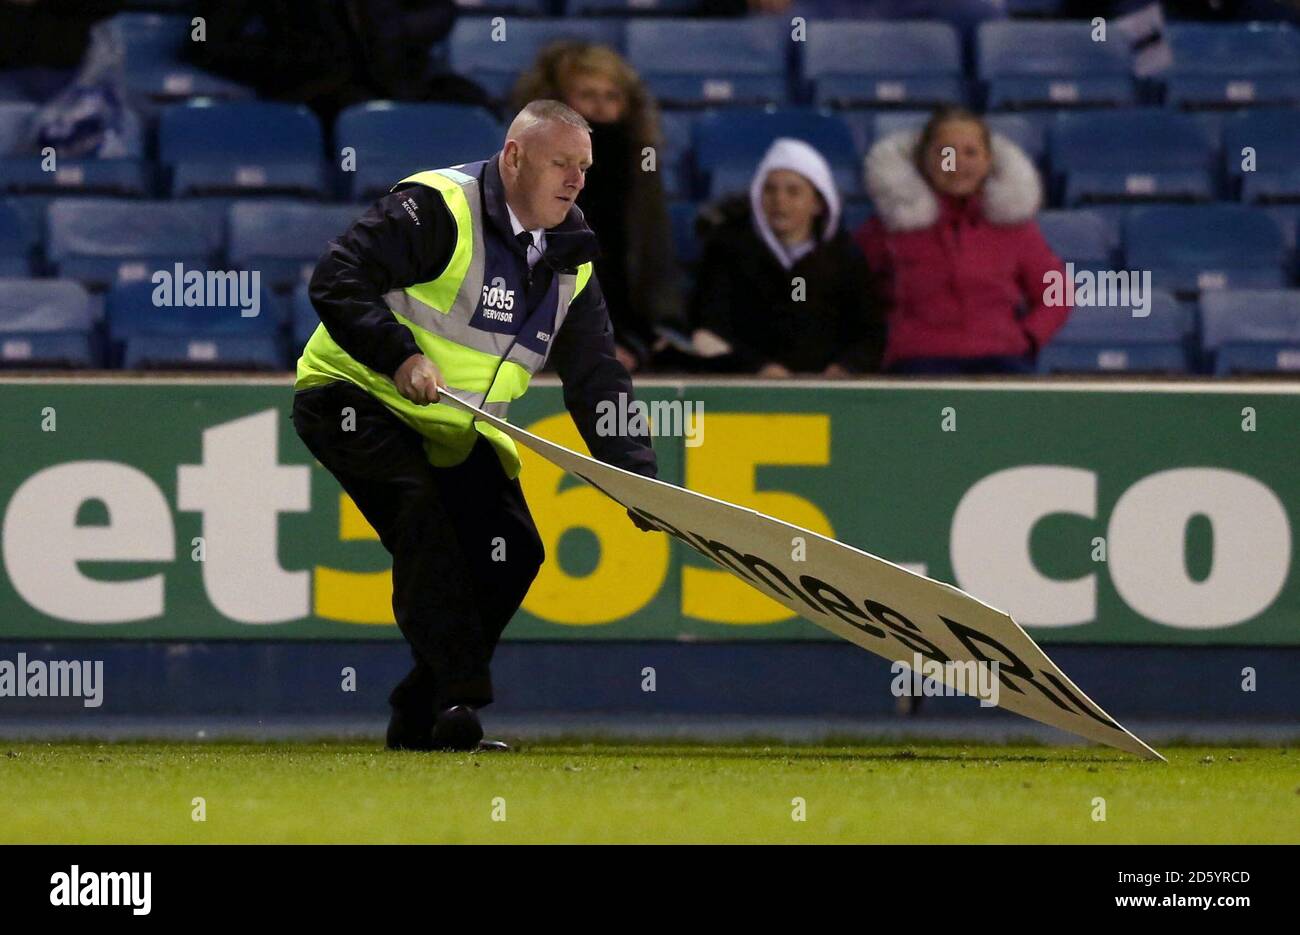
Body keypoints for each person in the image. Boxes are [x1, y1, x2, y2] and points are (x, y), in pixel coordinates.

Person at [291, 100, 658, 752]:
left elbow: (597, 376)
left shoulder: (572, 259)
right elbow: (337, 274)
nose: (575, 179)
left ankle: (420, 714)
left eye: (583, 167)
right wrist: (399, 354)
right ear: (513, 157)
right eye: (560, 163)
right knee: (423, 516)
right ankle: (459, 698)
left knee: (513, 551)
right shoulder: (438, 206)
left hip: (457, 427)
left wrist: (634, 471)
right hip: (354, 396)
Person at [855, 106, 1070, 375]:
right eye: (946, 153)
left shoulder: (1015, 226)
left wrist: (1027, 337)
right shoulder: (888, 227)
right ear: (924, 160)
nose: (958, 163)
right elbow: (849, 292)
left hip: (1003, 361)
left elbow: (1057, 293)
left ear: (988, 160)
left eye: (971, 153)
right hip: (916, 362)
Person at [512, 41, 683, 373]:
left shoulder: (640, 167)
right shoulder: (528, 165)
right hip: (542, 333)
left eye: (612, 97)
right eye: (588, 96)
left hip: (626, 333)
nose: (601, 108)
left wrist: (640, 339)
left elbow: (652, 262)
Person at [688, 137, 885, 377]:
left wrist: (845, 368)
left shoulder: (845, 258)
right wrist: (758, 368)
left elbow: (870, 334)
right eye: (770, 190)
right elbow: (710, 330)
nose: (780, 201)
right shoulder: (728, 251)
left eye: (793, 192)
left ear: (817, 203)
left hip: (828, 394)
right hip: (746, 390)